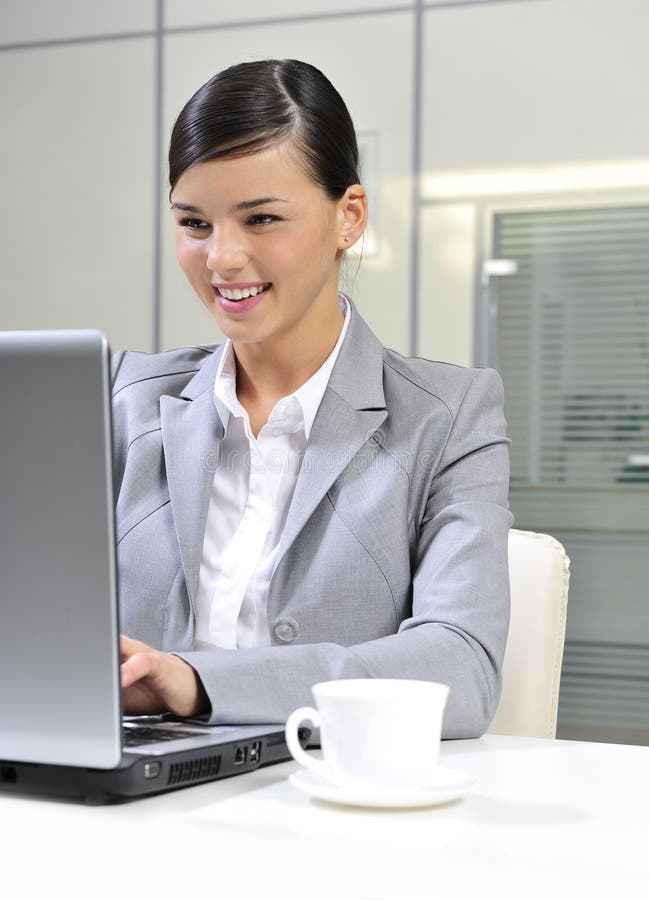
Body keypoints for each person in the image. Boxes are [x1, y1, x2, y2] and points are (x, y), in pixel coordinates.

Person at [113, 58, 513, 739]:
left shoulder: (447, 416)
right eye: (195, 224)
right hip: (130, 801)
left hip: (333, 802)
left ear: (347, 216)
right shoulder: (122, 399)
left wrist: (199, 683)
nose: (222, 259)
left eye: (261, 218)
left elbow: (462, 668)